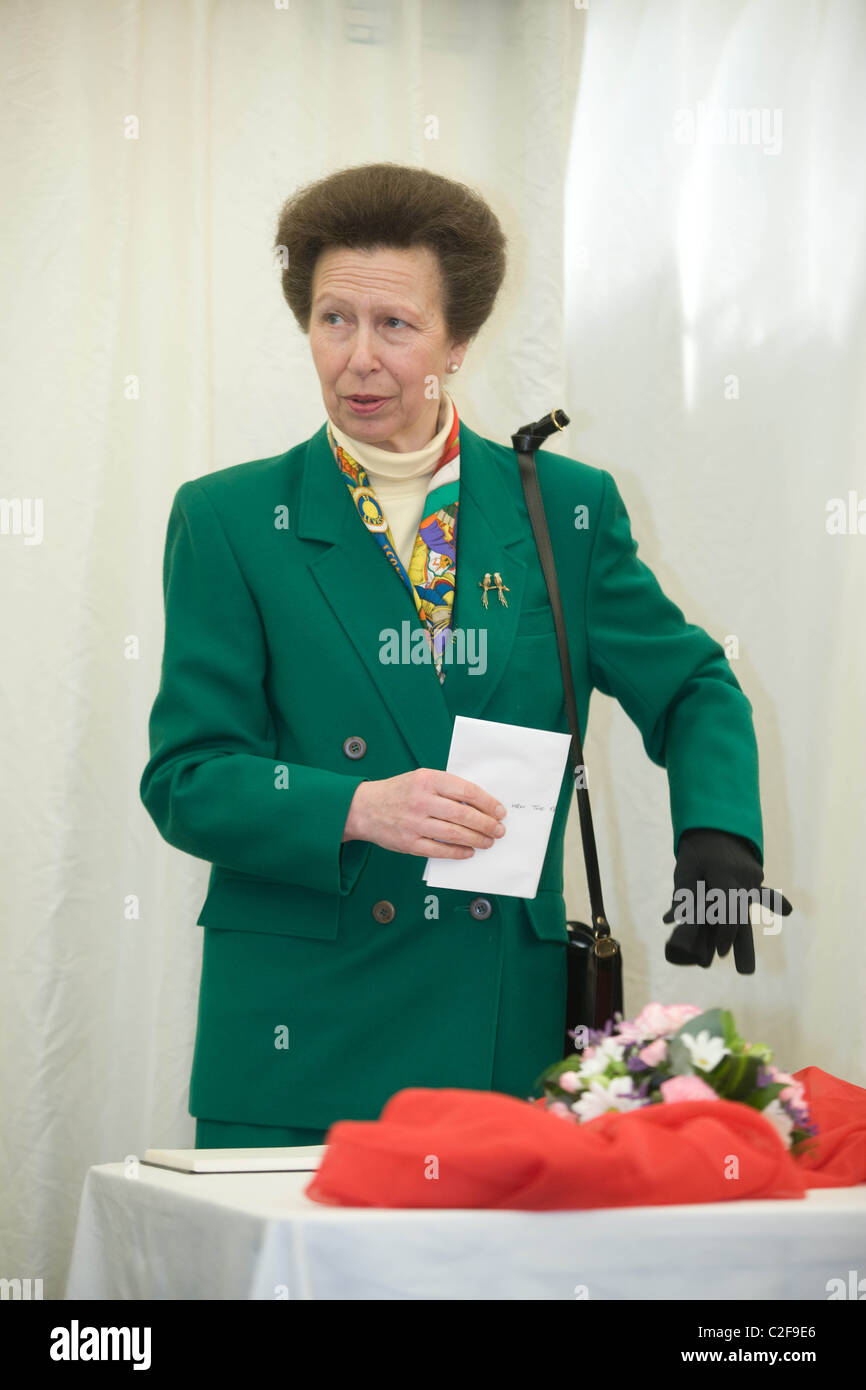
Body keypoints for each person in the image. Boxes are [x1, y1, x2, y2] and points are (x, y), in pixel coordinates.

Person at [140, 162, 791, 1149]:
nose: (358, 358)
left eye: (394, 326)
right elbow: (187, 778)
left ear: (457, 339)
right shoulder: (229, 519)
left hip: (494, 1028)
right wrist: (360, 806)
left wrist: (719, 839)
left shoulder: (562, 510)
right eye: (332, 319)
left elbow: (693, 685)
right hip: (298, 1034)